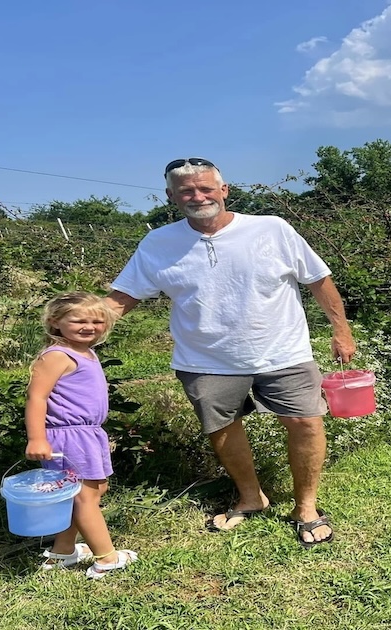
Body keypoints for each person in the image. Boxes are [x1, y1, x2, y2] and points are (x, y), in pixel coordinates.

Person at [105, 157, 356, 548]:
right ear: (171, 196)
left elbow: (318, 279)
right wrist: (75, 334)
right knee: (222, 430)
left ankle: (306, 507)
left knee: (306, 423)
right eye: (187, 190)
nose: (198, 196)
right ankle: (250, 496)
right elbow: (124, 296)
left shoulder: (271, 229)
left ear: (224, 190)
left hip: (283, 352)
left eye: (206, 188)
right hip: (205, 359)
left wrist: (341, 329)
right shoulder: (158, 243)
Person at [25, 291, 137, 579]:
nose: (90, 326)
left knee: (94, 491)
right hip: (68, 435)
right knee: (83, 497)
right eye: (80, 321)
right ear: (55, 321)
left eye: (98, 321)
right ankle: (107, 558)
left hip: (88, 434)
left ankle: (64, 551)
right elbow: (36, 398)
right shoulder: (56, 355)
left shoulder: (85, 352)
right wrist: (37, 438)